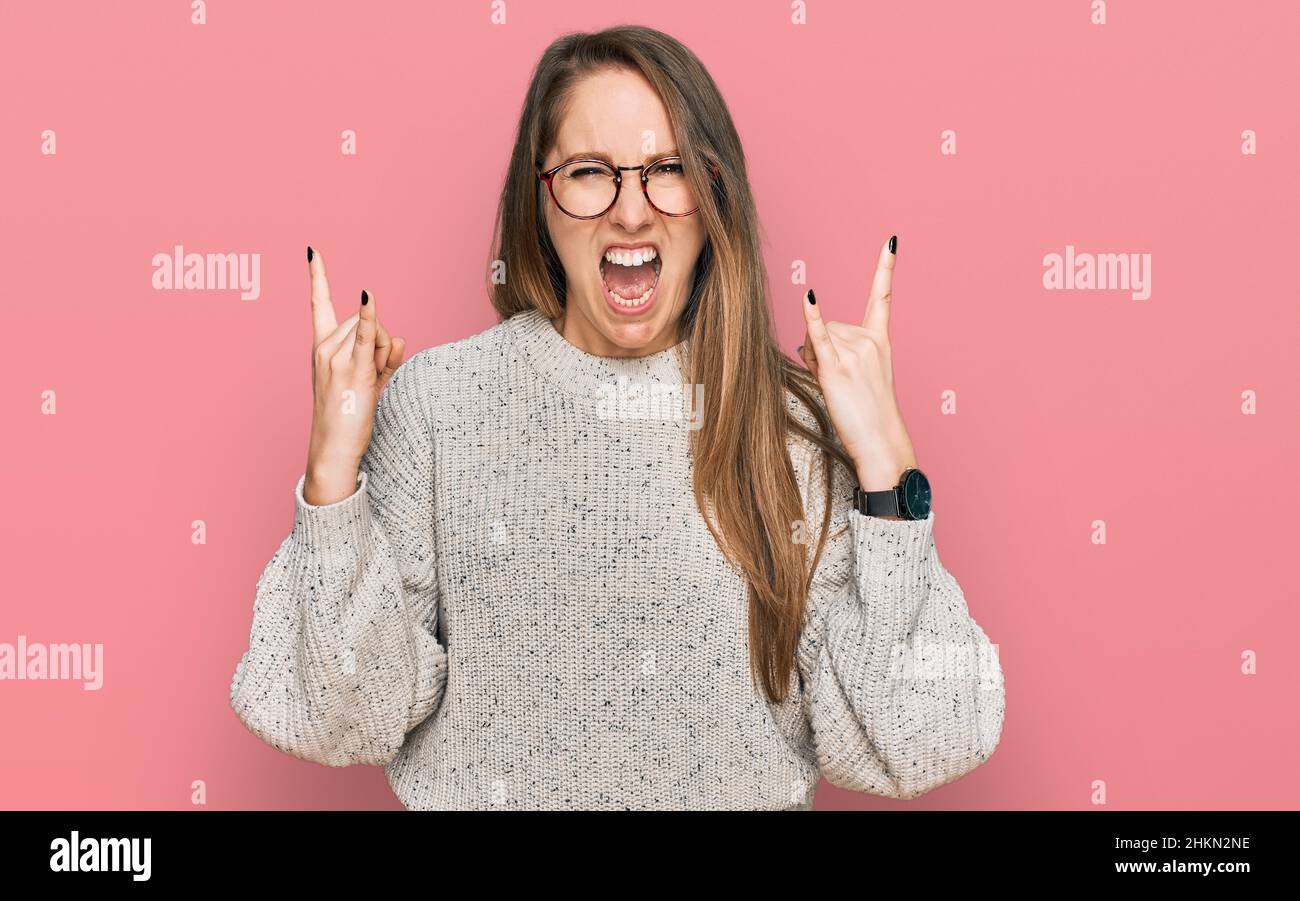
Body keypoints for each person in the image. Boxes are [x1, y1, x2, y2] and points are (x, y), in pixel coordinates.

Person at [228, 24, 1005, 810]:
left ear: (713, 197)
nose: (632, 212)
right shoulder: (439, 405)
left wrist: (886, 465)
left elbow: (924, 736)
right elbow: (338, 717)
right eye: (591, 171)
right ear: (541, 196)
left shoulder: (786, 427)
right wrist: (331, 475)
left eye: (668, 169)